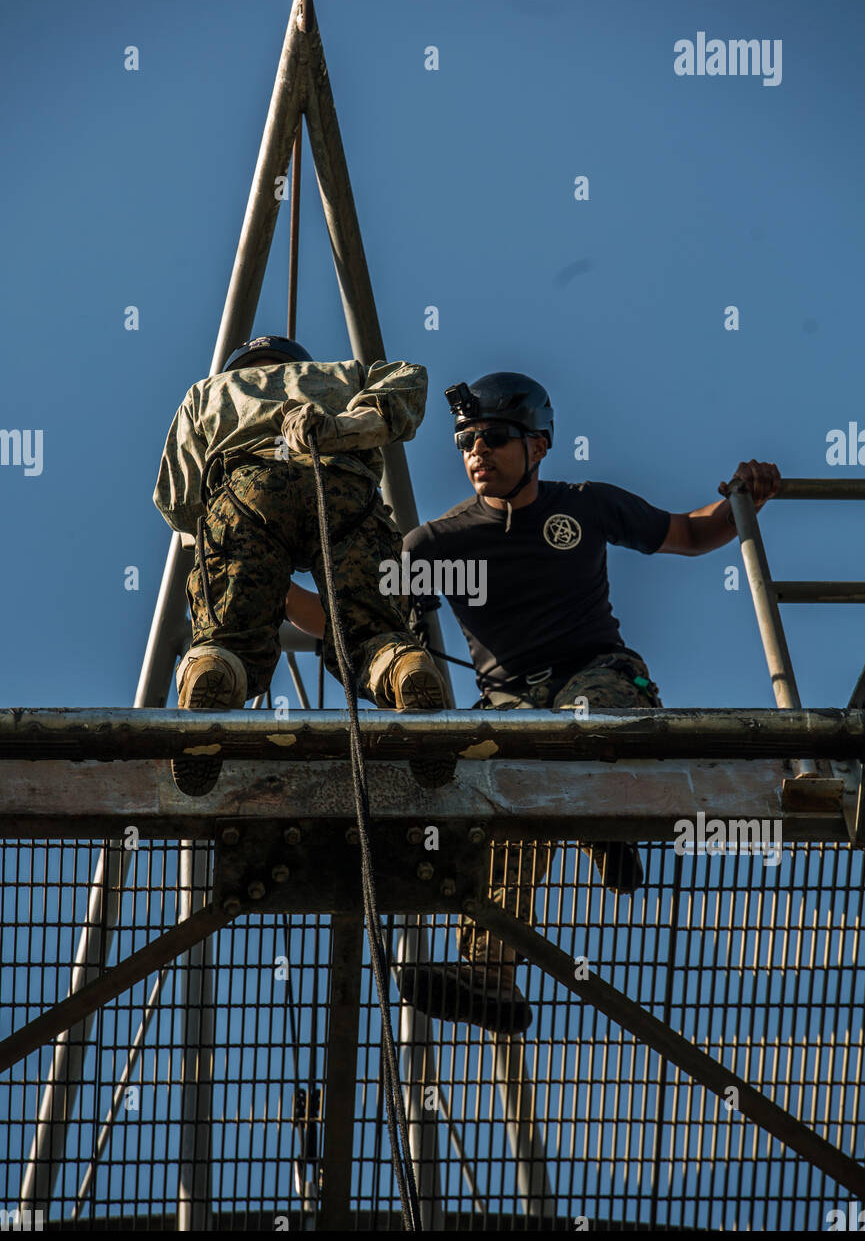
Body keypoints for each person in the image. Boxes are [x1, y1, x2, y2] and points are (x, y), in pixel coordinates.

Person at [389, 371, 780, 1032]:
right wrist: (276, 597)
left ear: (538, 446)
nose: (476, 452)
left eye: (493, 438)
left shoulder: (585, 507)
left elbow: (686, 534)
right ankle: (490, 976)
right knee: (509, 794)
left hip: (597, 675)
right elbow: (360, 618)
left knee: (591, 723)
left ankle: (606, 817)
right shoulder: (438, 545)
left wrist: (745, 498)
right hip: (511, 703)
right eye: (465, 442)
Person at [152, 335, 447, 796]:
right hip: (345, 489)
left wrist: (216, 541)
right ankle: (403, 667)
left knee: (231, 636)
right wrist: (346, 425)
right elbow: (410, 379)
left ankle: (214, 670)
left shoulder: (206, 392)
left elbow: (176, 498)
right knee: (369, 631)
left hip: (249, 487)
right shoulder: (345, 373)